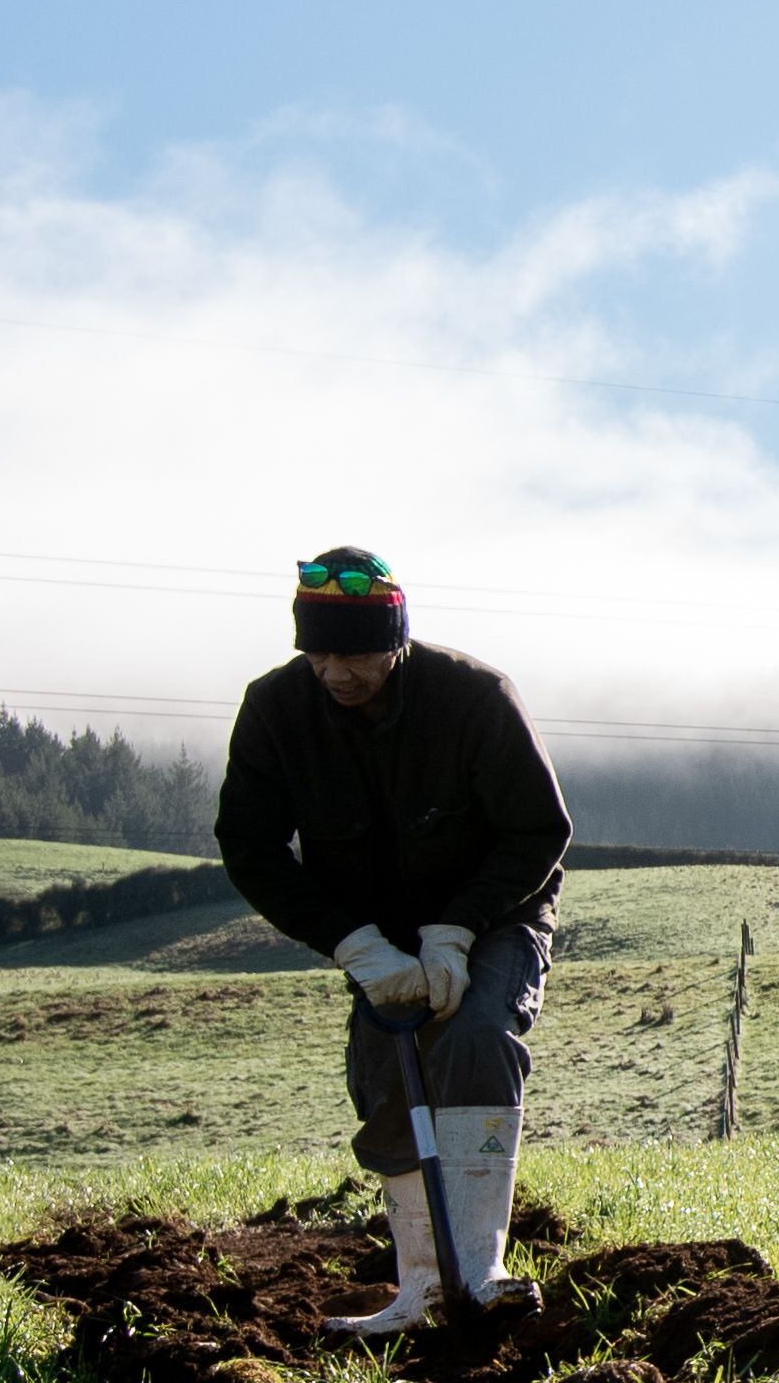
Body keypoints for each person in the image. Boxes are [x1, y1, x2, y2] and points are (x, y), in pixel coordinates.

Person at [215, 545, 572, 1334]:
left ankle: (479, 1270)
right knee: (387, 1076)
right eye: (318, 654)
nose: (334, 673)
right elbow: (249, 846)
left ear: (395, 641)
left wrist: (458, 928)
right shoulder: (275, 710)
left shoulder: (476, 697)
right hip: (374, 930)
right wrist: (352, 944)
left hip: (496, 909)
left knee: (476, 1034)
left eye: (353, 655)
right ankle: (421, 1287)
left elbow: (539, 828)